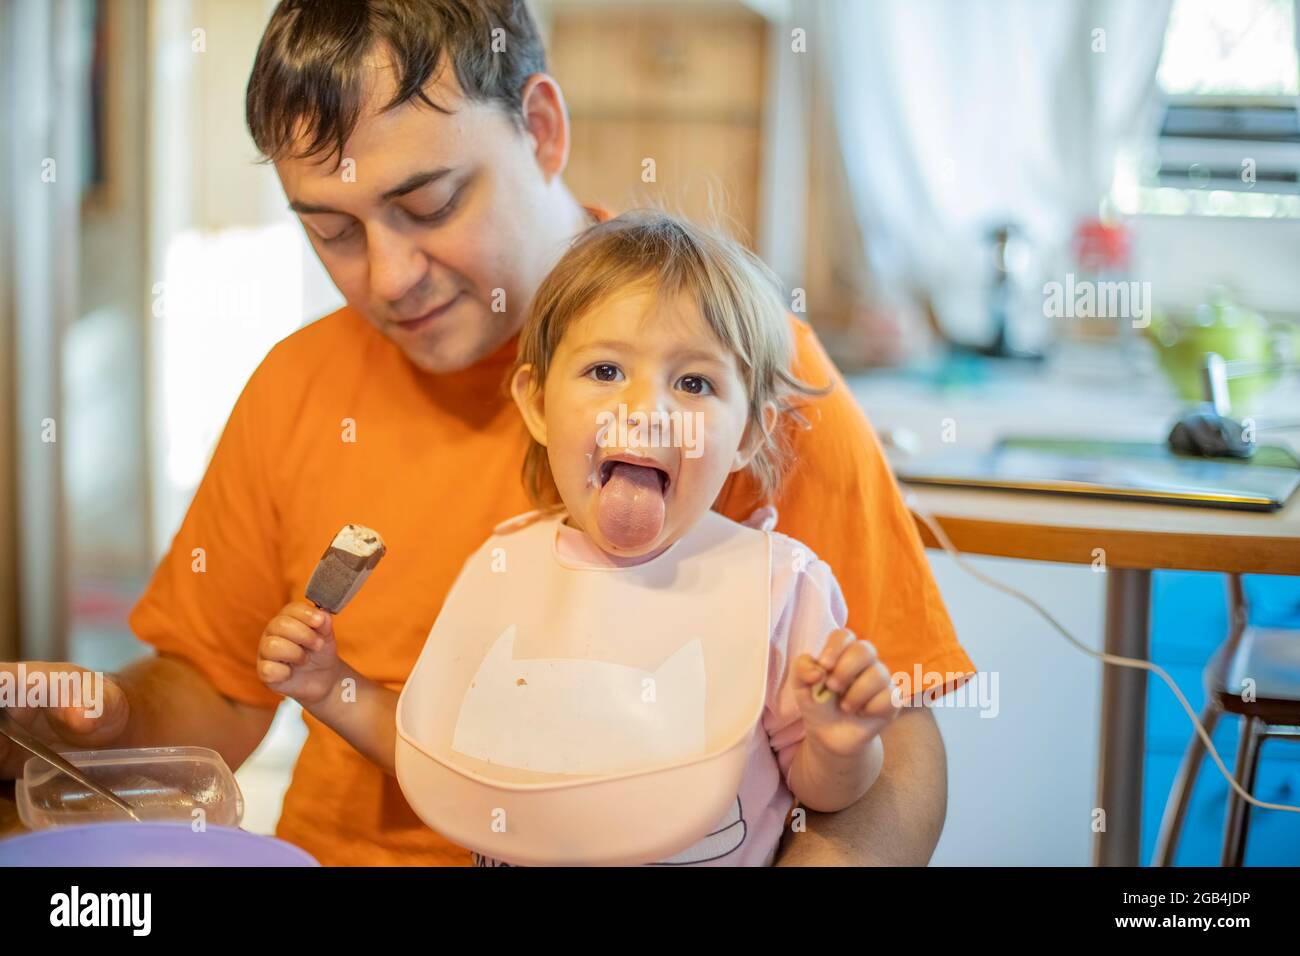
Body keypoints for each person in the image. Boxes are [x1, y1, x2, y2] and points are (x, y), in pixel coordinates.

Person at [0, 0, 973, 866]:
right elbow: (213, 686)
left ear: (542, 129)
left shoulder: (728, 376)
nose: (386, 278)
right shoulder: (298, 384)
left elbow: (899, 748)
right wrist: (102, 721)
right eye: (331, 231)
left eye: (428, 205)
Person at [257, 211, 903, 866]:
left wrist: (841, 744)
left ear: (746, 435)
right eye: (604, 372)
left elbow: (821, 794)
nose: (645, 410)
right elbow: (442, 758)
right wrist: (328, 684)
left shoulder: (778, 589)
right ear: (536, 404)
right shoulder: (506, 567)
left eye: (694, 383)